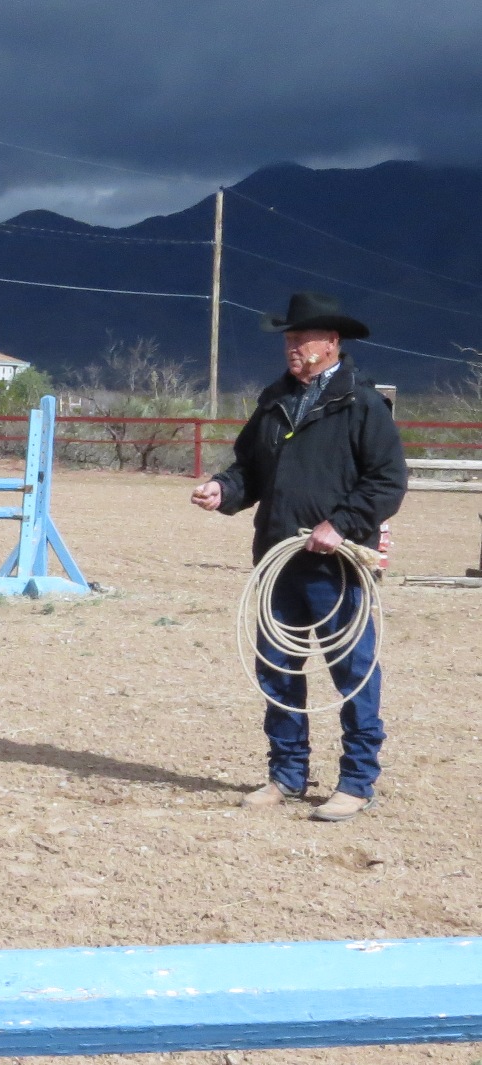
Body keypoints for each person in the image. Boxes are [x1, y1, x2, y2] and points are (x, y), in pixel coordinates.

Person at [190, 291, 407, 822]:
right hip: (279, 558)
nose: (291, 346)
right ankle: (286, 773)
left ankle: (356, 779)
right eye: (288, 338)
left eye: (300, 338)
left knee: (353, 672)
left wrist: (342, 524)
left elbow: (387, 481)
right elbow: (250, 470)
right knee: (279, 670)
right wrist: (224, 490)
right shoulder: (275, 400)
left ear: (331, 343)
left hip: (336, 564)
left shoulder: (362, 404)